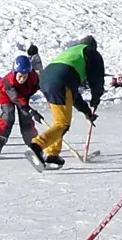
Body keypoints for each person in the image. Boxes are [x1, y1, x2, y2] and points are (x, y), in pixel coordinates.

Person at [28, 35, 105, 169]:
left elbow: (73, 95)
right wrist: (96, 98)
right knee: (62, 124)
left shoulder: (72, 54)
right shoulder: (91, 52)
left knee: (59, 121)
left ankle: (52, 155)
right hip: (60, 82)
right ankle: (37, 145)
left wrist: (86, 111)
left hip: (46, 80)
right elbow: (97, 79)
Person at [0, 54, 40, 157]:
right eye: (20, 76)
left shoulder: (34, 77)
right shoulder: (9, 82)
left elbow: (40, 85)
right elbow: (16, 98)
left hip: (23, 96)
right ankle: (0, 141)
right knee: (8, 115)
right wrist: (31, 110)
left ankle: (33, 143)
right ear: (15, 72)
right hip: (7, 96)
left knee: (26, 117)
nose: (22, 79)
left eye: (25, 76)